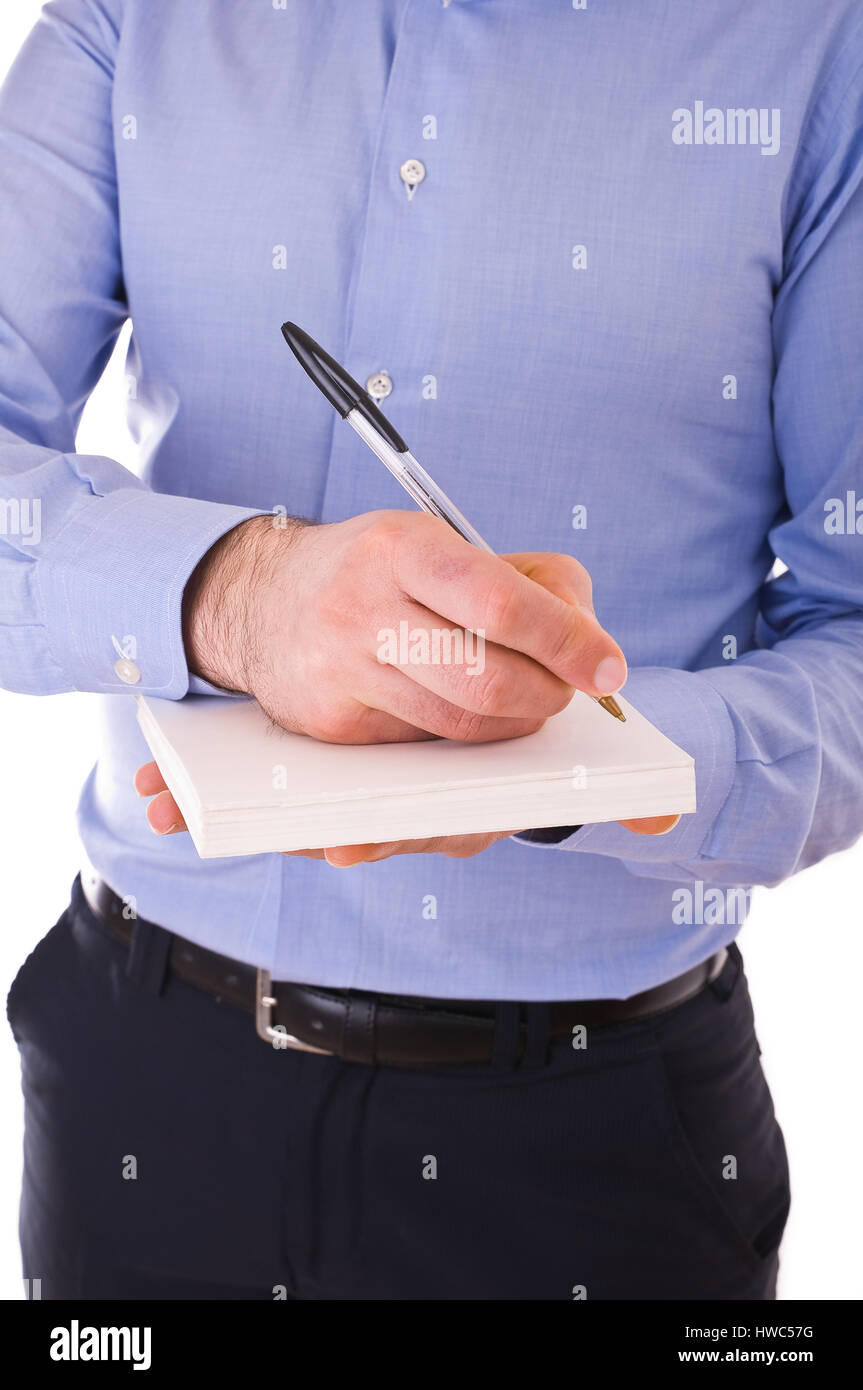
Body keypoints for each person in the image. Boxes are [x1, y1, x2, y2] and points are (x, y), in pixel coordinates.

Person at [2, 0, 861, 1301]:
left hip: (600, 1145)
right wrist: (233, 597)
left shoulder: (820, 45)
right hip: (142, 1086)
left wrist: (574, 766)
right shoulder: (135, 16)